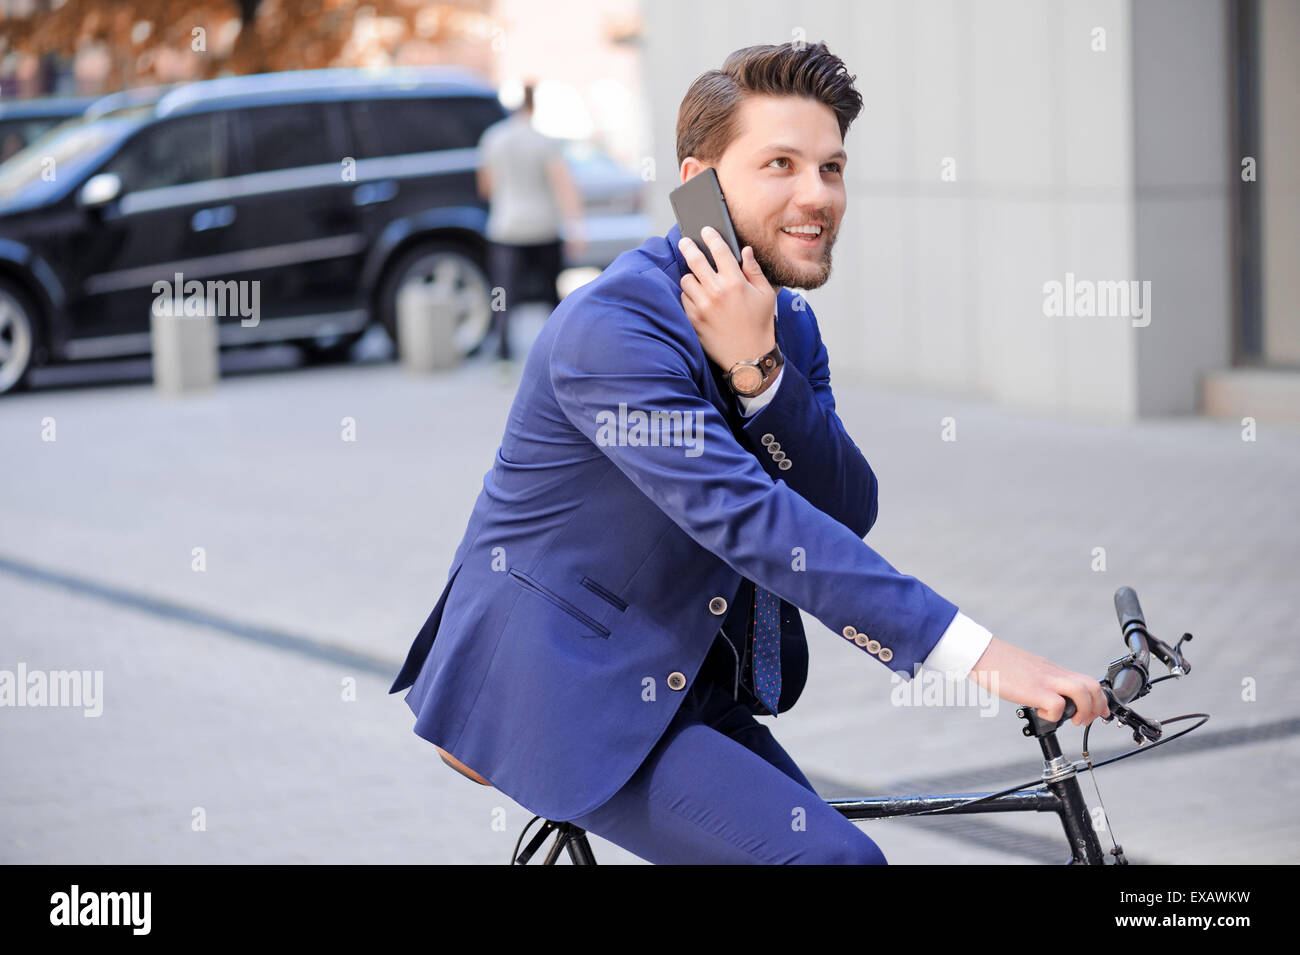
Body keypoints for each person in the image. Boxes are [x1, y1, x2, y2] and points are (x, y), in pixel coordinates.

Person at [391, 41, 1109, 864]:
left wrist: (760, 374)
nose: (818, 195)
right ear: (700, 180)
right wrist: (983, 658)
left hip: (681, 674)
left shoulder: (786, 326)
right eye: (781, 164)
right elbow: (754, 522)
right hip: (560, 686)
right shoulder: (613, 330)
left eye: (832, 168)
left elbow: (844, 508)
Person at [473, 80, 586, 364]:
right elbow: (563, 184)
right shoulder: (543, 141)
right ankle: (560, 350)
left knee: (503, 294)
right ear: (533, 106)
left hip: (506, 227)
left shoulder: (492, 138)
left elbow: (485, 186)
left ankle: (502, 352)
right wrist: (575, 225)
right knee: (550, 294)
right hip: (543, 227)